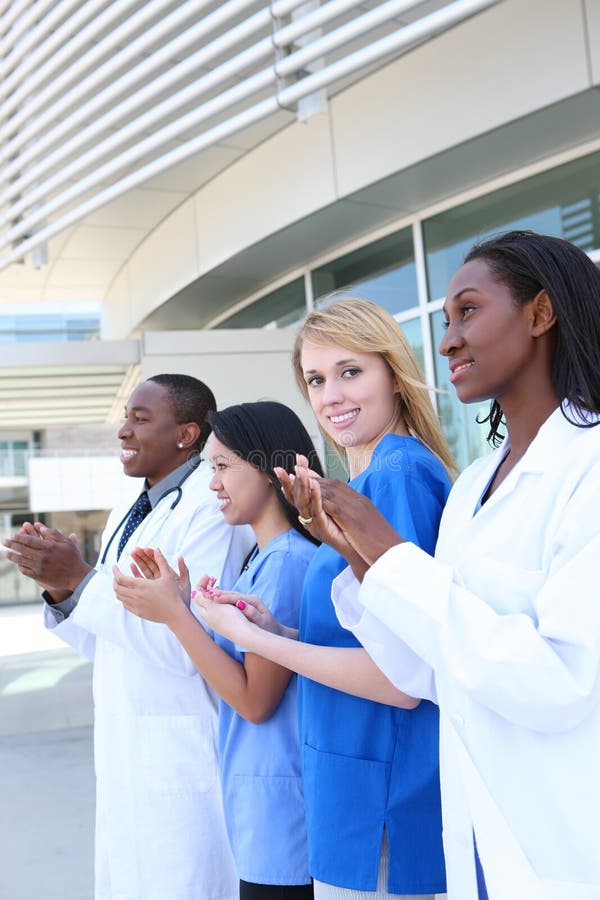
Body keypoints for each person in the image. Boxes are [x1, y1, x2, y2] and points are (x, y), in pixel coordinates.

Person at [294, 232, 600, 900]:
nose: (447, 340)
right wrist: (357, 554)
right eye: (444, 320)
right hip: (476, 845)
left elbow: (563, 680)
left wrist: (393, 557)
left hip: (562, 846)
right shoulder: (472, 488)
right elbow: (430, 668)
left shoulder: (589, 468)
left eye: (468, 312)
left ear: (540, 315)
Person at [194, 299, 454, 900]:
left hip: (383, 808)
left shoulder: (397, 478)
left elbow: (401, 676)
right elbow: (370, 634)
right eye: (315, 379)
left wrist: (253, 641)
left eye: (350, 371)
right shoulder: (368, 482)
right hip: (357, 797)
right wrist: (279, 631)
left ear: (393, 371)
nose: (330, 395)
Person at [3, 374, 253, 900]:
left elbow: (185, 643)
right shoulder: (128, 511)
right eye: (125, 418)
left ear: (187, 434)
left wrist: (82, 579)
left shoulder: (212, 509)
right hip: (126, 753)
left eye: (140, 419)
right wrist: (60, 589)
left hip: (182, 756)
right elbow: (108, 639)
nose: (123, 431)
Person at [112, 401, 322, 900]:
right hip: (262, 819)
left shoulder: (288, 562)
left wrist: (177, 616)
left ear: (271, 468)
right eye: (210, 468)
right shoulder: (262, 560)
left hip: (284, 825)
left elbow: (254, 702)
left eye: (223, 466)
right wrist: (185, 608)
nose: (212, 484)